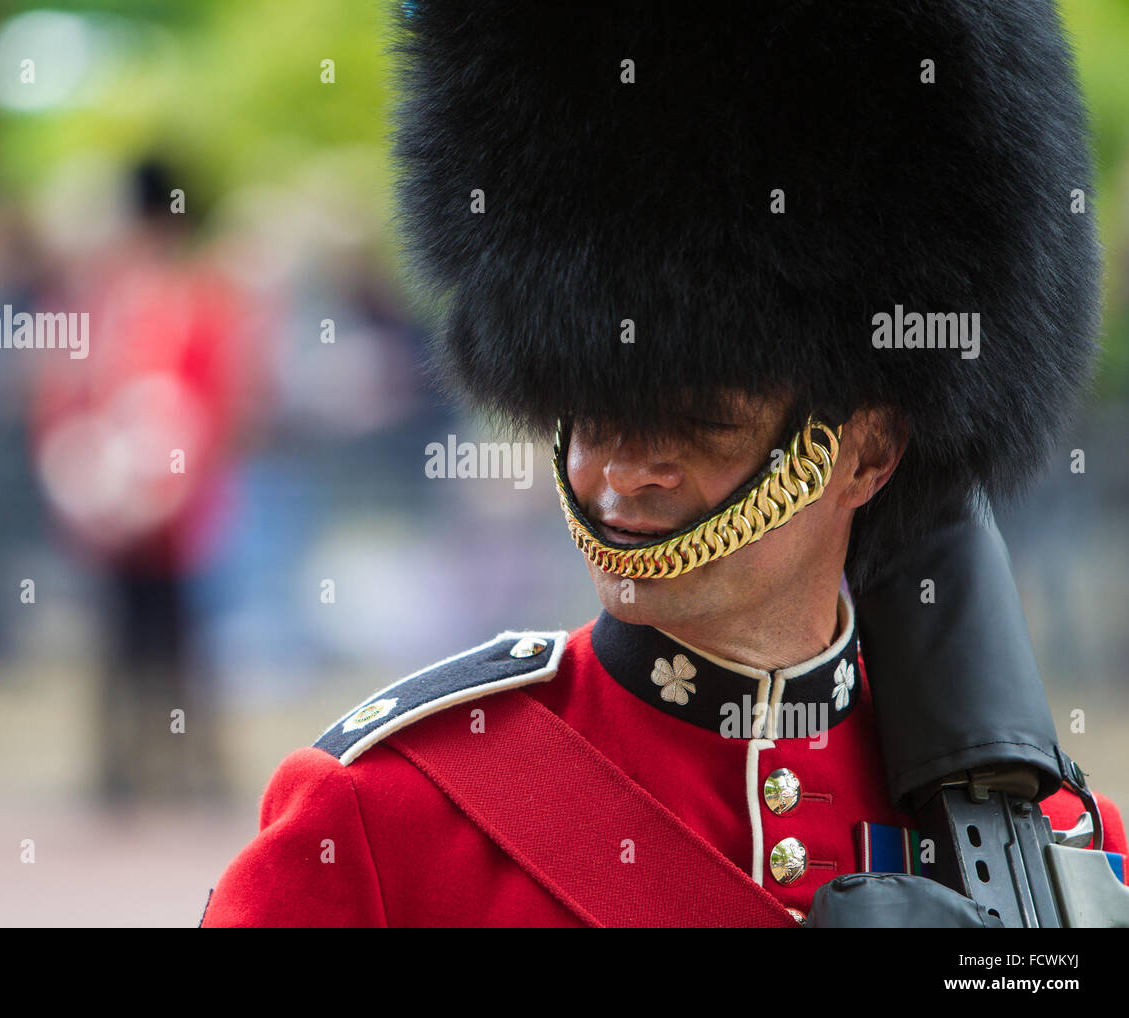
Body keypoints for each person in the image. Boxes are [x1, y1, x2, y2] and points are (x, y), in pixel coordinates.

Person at [200, 1, 1125, 926]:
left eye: (699, 422)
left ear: (869, 450)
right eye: (597, 413)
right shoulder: (383, 818)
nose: (626, 472)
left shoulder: (1058, 857)